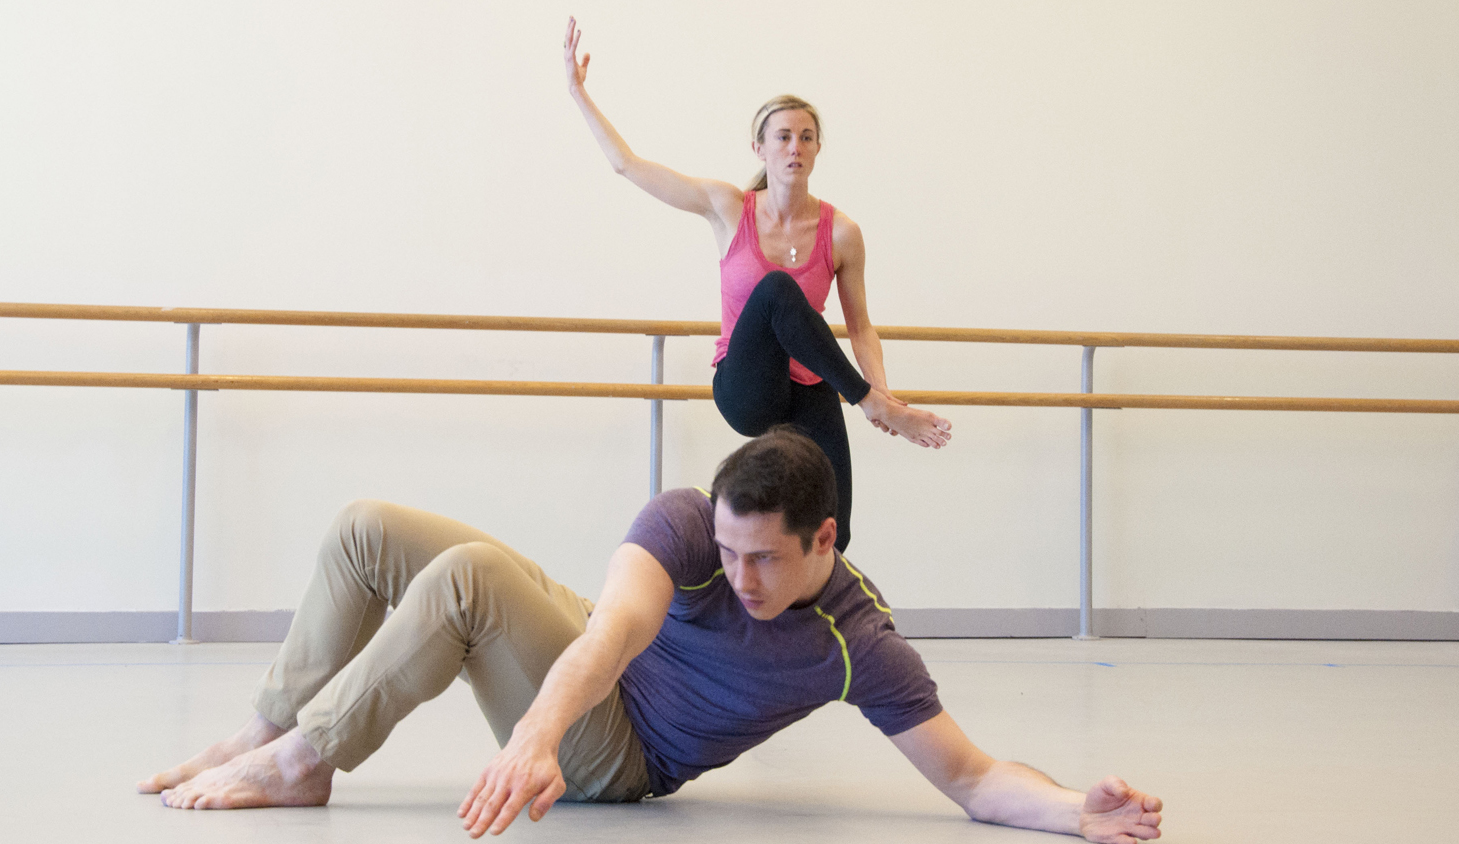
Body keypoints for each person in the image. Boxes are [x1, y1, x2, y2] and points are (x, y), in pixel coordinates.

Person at [138, 427, 1163, 844]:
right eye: (727, 550)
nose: (738, 574)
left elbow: (975, 778)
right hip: (593, 673)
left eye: (765, 558)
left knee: (470, 579)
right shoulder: (687, 523)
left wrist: (1080, 809)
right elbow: (609, 635)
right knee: (369, 528)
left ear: (826, 540)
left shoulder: (858, 642)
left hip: (625, 751)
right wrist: (535, 730)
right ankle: (264, 726)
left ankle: (309, 758)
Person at [565, 17, 952, 552]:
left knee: (832, 527)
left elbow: (861, 327)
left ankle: (800, 626)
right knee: (777, 291)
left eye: (806, 137)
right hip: (746, 387)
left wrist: (883, 388)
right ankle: (867, 402)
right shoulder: (728, 209)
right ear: (760, 149)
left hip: (809, 390)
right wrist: (577, 92)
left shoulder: (842, 233)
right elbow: (626, 165)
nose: (795, 147)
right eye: (783, 137)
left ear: (818, 149)